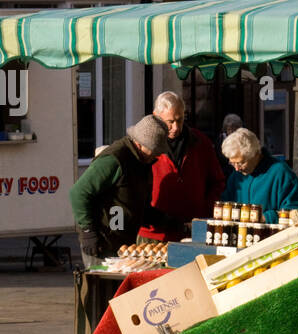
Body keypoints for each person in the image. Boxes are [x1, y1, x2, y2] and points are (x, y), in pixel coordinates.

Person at [70, 115, 171, 267]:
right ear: (140, 144)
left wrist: (168, 221)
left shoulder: (142, 162)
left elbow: (135, 201)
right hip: (102, 243)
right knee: (100, 289)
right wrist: (88, 232)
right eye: (155, 150)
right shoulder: (114, 159)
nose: (158, 155)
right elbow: (78, 193)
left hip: (122, 243)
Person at [138, 91, 227, 242]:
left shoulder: (201, 142)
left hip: (192, 228)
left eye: (180, 120)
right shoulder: (143, 144)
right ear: (156, 116)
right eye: (170, 121)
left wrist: (204, 209)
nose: (175, 127)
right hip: (155, 232)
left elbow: (217, 181)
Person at [220, 127, 298, 224]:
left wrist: (267, 218)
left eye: (241, 163)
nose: (236, 168)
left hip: (272, 236)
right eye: (232, 163)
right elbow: (225, 204)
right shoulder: (236, 176)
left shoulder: (281, 172)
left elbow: (297, 212)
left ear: (256, 154)